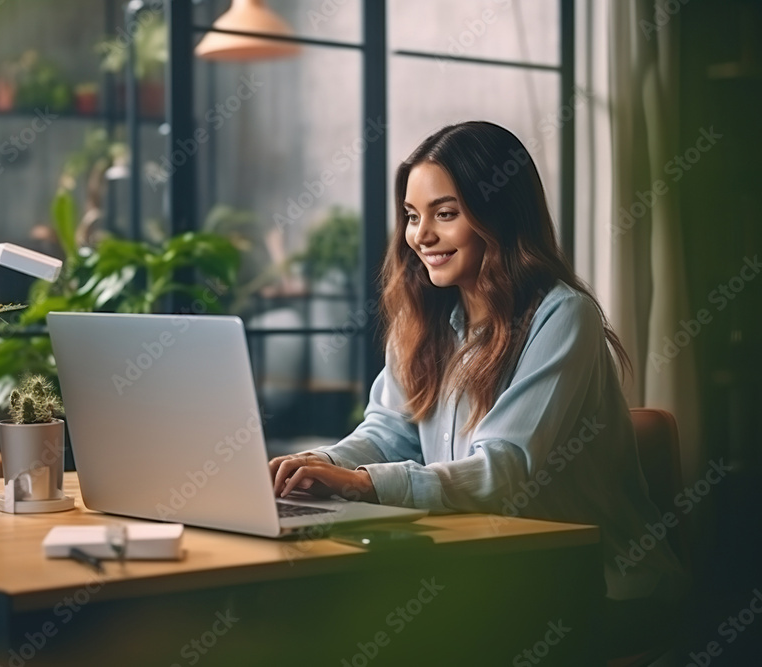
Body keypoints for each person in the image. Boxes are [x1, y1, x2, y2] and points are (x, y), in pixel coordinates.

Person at [268, 121, 687, 653]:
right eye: (413, 216)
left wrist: (361, 485)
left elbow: (504, 470)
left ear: (500, 216)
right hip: (490, 570)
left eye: (445, 214)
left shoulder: (563, 316)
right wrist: (318, 464)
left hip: (600, 585)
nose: (421, 236)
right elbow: (388, 433)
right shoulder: (423, 320)